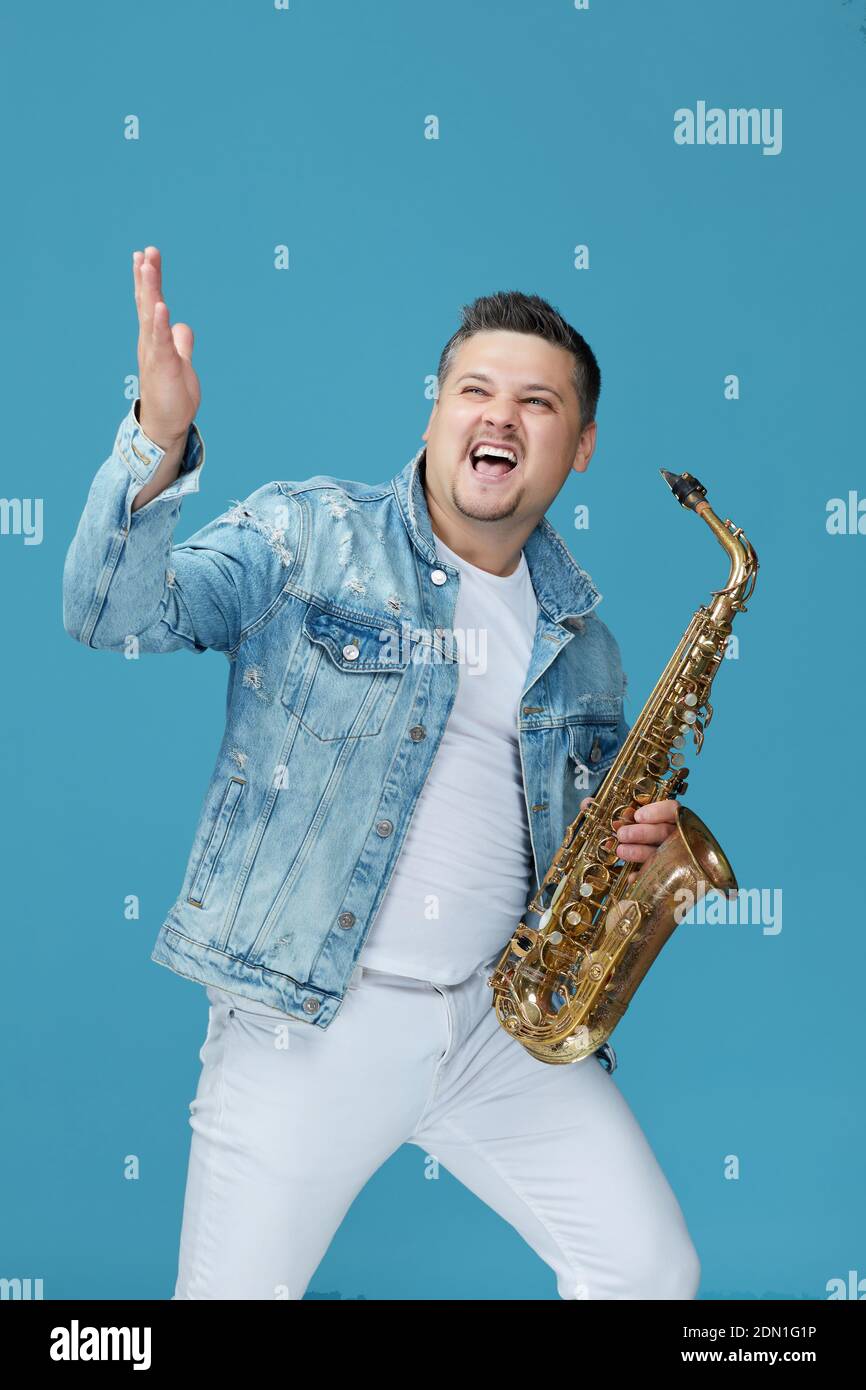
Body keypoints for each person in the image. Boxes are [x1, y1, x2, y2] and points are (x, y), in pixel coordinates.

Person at [62, 247, 700, 1300]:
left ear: (578, 446)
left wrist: (635, 844)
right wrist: (158, 440)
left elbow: (567, 846)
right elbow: (107, 613)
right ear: (435, 414)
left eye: (536, 403)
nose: (499, 418)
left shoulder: (585, 645)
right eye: (474, 392)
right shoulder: (307, 535)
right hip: (311, 1020)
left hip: (497, 1025)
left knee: (647, 1269)